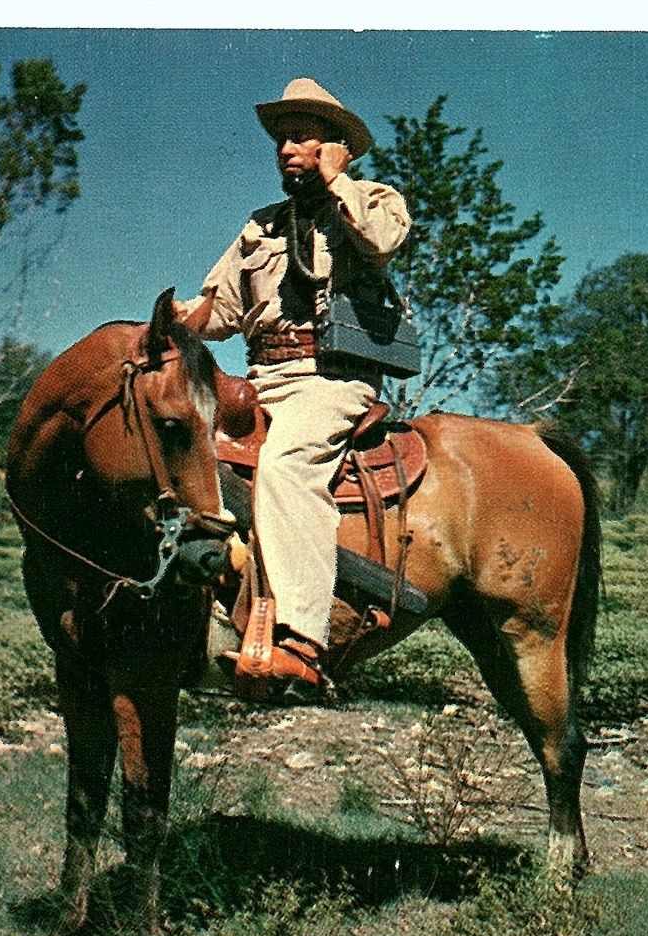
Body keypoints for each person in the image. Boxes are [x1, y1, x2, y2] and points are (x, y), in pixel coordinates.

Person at [183, 78, 411, 691]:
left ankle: (303, 639)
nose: (286, 148)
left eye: (302, 136)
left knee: (286, 466)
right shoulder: (260, 226)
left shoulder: (375, 200)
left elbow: (382, 243)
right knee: (172, 450)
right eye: (282, 137)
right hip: (262, 377)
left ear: (335, 146)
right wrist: (185, 317)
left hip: (330, 380)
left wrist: (340, 181)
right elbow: (222, 311)